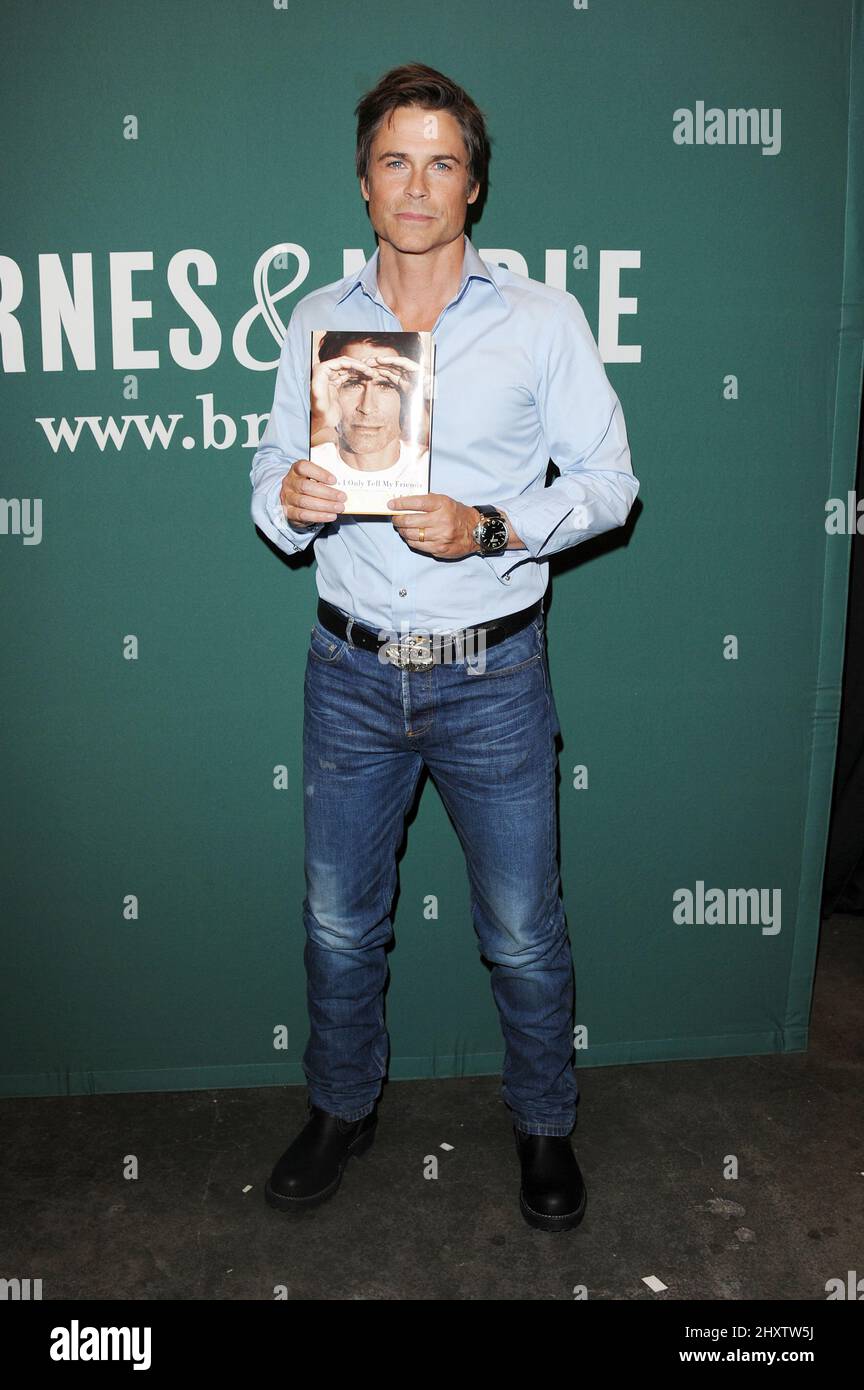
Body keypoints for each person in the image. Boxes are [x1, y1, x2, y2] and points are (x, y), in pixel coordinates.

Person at [250, 62, 640, 1233]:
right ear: (365, 185)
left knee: (523, 928)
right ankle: (341, 1106)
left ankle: (542, 1123)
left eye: (443, 163)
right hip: (351, 671)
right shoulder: (319, 324)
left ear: (473, 187)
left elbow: (614, 483)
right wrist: (299, 500)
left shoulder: (541, 321)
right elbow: (266, 485)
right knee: (336, 921)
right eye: (394, 161)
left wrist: (497, 527)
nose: (417, 185)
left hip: (494, 675)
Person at [309, 331, 430, 511]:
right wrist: (318, 419)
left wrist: (428, 402)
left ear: (407, 396)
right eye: (352, 384)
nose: (367, 407)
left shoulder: (433, 465)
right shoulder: (306, 466)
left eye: (385, 385)